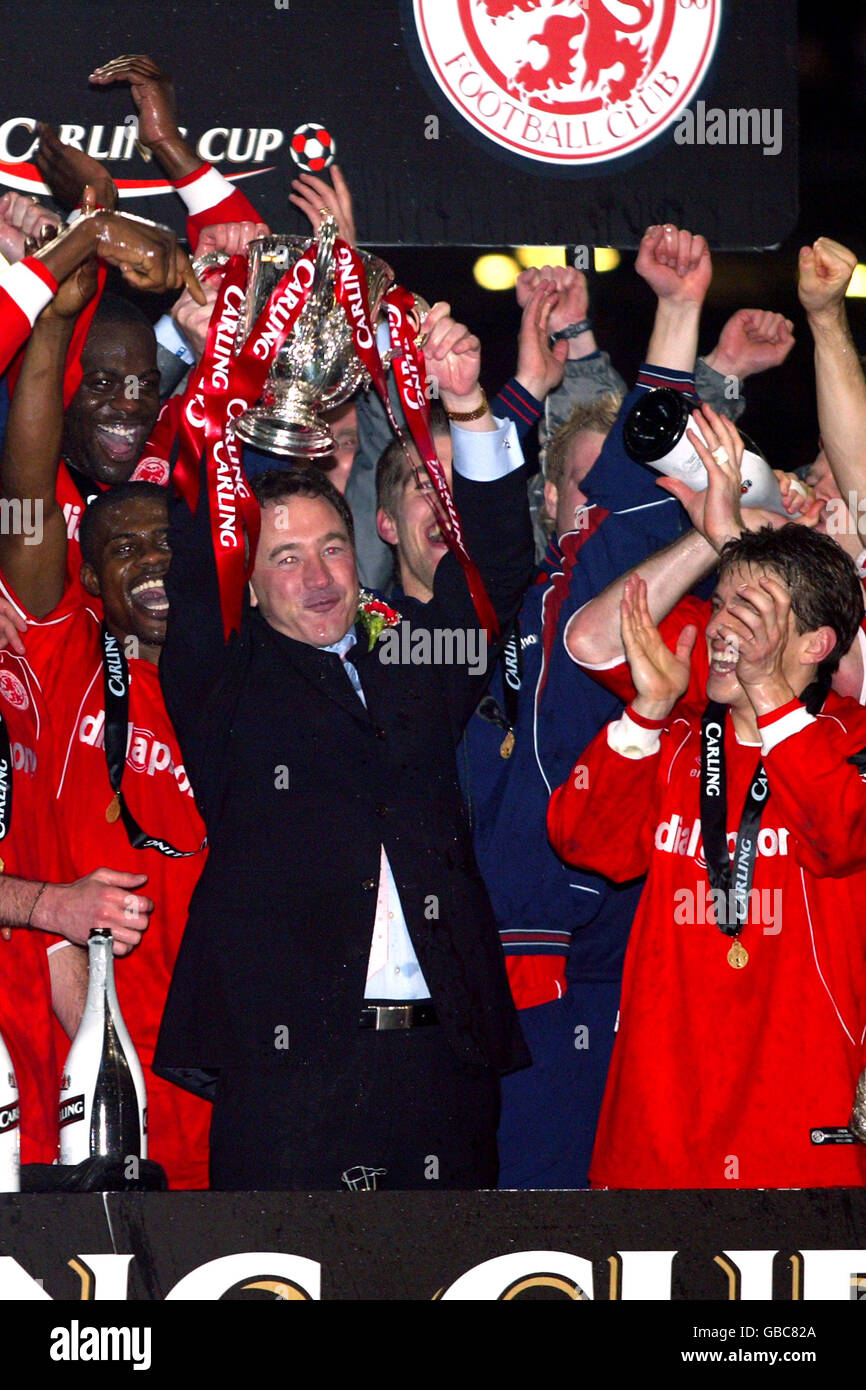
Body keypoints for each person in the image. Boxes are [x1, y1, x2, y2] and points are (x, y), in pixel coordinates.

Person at [154, 306, 533, 1190]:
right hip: (289, 1080)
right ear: (243, 581)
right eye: (284, 559)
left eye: (331, 548)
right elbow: (195, 516)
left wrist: (471, 407)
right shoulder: (223, 678)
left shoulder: (412, 656)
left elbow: (501, 576)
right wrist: (230, 359)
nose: (319, 577)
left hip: (443, 1066)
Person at [547, 409, 866, 1188]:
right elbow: (585, 843)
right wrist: (646, 712)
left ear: (816, 645)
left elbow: (840, 835)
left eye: (751, 614)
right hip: (657, 1131)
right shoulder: (685, 737)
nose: (723, 629)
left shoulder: (848, 746)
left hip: (798, 1128)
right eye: (723, 606)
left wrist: (768, 689)